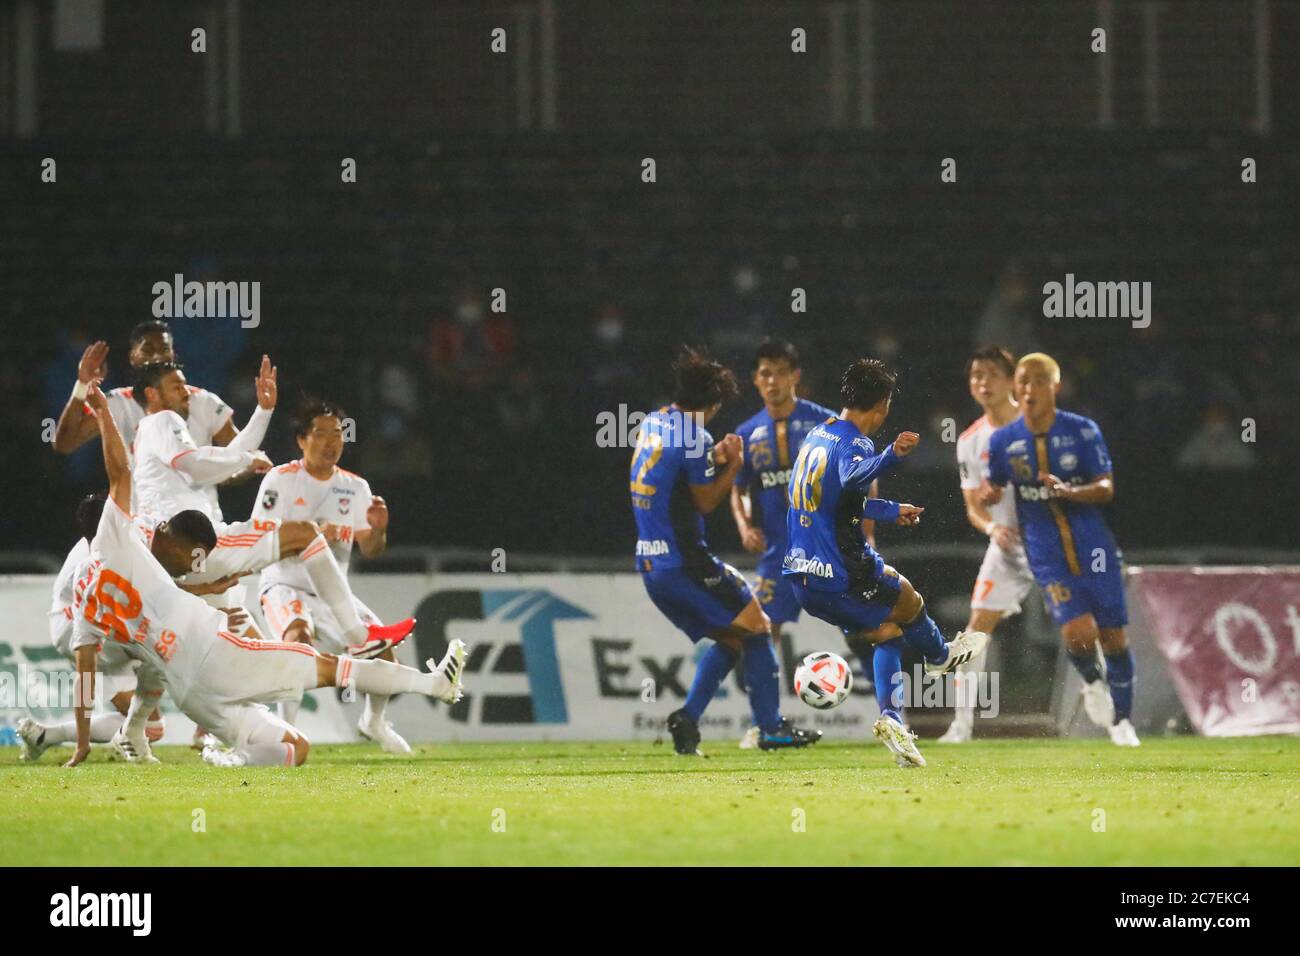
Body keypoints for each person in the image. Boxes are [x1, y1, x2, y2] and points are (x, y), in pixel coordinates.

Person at [65, 381, 466, 769]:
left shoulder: (87, 601)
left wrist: (83, 741)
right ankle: (430, 683)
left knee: (294, 749)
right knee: (332, 667)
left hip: (190, 692)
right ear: (105, 522)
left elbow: (86, 675)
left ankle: (226, 759)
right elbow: (120, 471)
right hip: (218, 656)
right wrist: (103, 414)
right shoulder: (118, 536)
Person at [129, 358, 415, 658]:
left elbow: (227, 454)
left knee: (255, 659)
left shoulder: (154, 432)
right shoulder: (164, 421)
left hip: (186, 557)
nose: (187, 392)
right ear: (152, 394)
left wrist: (263, 411)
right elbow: (196, 466)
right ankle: (359, 636)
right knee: (304, 534)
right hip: (194, 542)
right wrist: (245, 461)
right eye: (176, 386)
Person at [784, 358, 989, 768]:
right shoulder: (854, 442)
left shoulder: (816, 437)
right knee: (909, 599)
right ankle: (939, 657)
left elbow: (840, 499)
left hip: (801, 576)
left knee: (888, 632)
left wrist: (890, 510)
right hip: (841, 570)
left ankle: (893, 721)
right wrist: (892, 456)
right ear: (882, 405)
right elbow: (856, 475)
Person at [631, 347, 821, 755]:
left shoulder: (654, 423)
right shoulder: (695, 436)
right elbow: (704, 501)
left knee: (733, 637)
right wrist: (733, 464)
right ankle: (770, 728)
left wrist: (711, 457)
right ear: (713, 403)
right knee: (759, 624)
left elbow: (673, 473)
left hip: (650, 563)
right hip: (685, 562)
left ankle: (688, 719)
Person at [980, 353, 1139, 747]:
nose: (1028, 389)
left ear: (1055, 386)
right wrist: (990, 493)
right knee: (1077, 632)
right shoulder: (1003, 440)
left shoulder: (1082, 431)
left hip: (1093, 544)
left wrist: (1071, 492)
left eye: (1037, 381)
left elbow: (1106, 487)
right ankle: (1092, 681)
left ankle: (1122, 719)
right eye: (1022, 381)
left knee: (1114, 636)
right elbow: (994, 484)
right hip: (1045, 549)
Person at [729, 339, 878, 749]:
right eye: (763, 373)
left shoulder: (826, 424)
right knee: (759, 633)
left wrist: (864, 531)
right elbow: (738, 488)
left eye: (779, 371)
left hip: (828, 545)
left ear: (796, 376)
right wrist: (744, 525)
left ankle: (890, 716)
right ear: (756, 380)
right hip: (778, 553)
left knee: (863, 628)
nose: (771, 380)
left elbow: (863, 473)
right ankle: (765, 723)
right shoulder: (747, 433)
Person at [254, 399, 410, 753]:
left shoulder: (355, 488)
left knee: (386, 658)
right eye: (320, 434)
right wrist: (310, 535)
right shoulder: (280, 480)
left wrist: (377, 532)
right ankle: (285, 735)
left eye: (337, 434)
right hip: (285, 584)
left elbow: (371, 550)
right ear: (301, 440)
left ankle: (373, 722)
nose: (330, 442)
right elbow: (261, 536)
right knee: (298, 641)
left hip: (333, 594)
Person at [52, 325, 253, 524]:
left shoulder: (205, 402)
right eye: (148, 350)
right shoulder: (118, 403)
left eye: (164, 349)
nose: (157, 356)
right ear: (133, 357)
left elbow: (244, 456)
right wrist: (82, 386)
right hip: (143, 530)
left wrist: (221, 470)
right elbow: (65, 443)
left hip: (201, 528)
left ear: (173, 355)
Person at [939, 346, 1037, 743]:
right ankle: (961, 727)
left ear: (1012, 380)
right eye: (976, 375)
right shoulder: (969, 441)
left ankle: (1114, 716)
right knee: (974, 631)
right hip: (1008, 549)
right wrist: (992, 529)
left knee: (1082, 627)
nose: (983, 382)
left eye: (993, 373)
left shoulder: (1037, 426)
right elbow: (973, 509)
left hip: (1052, 543)